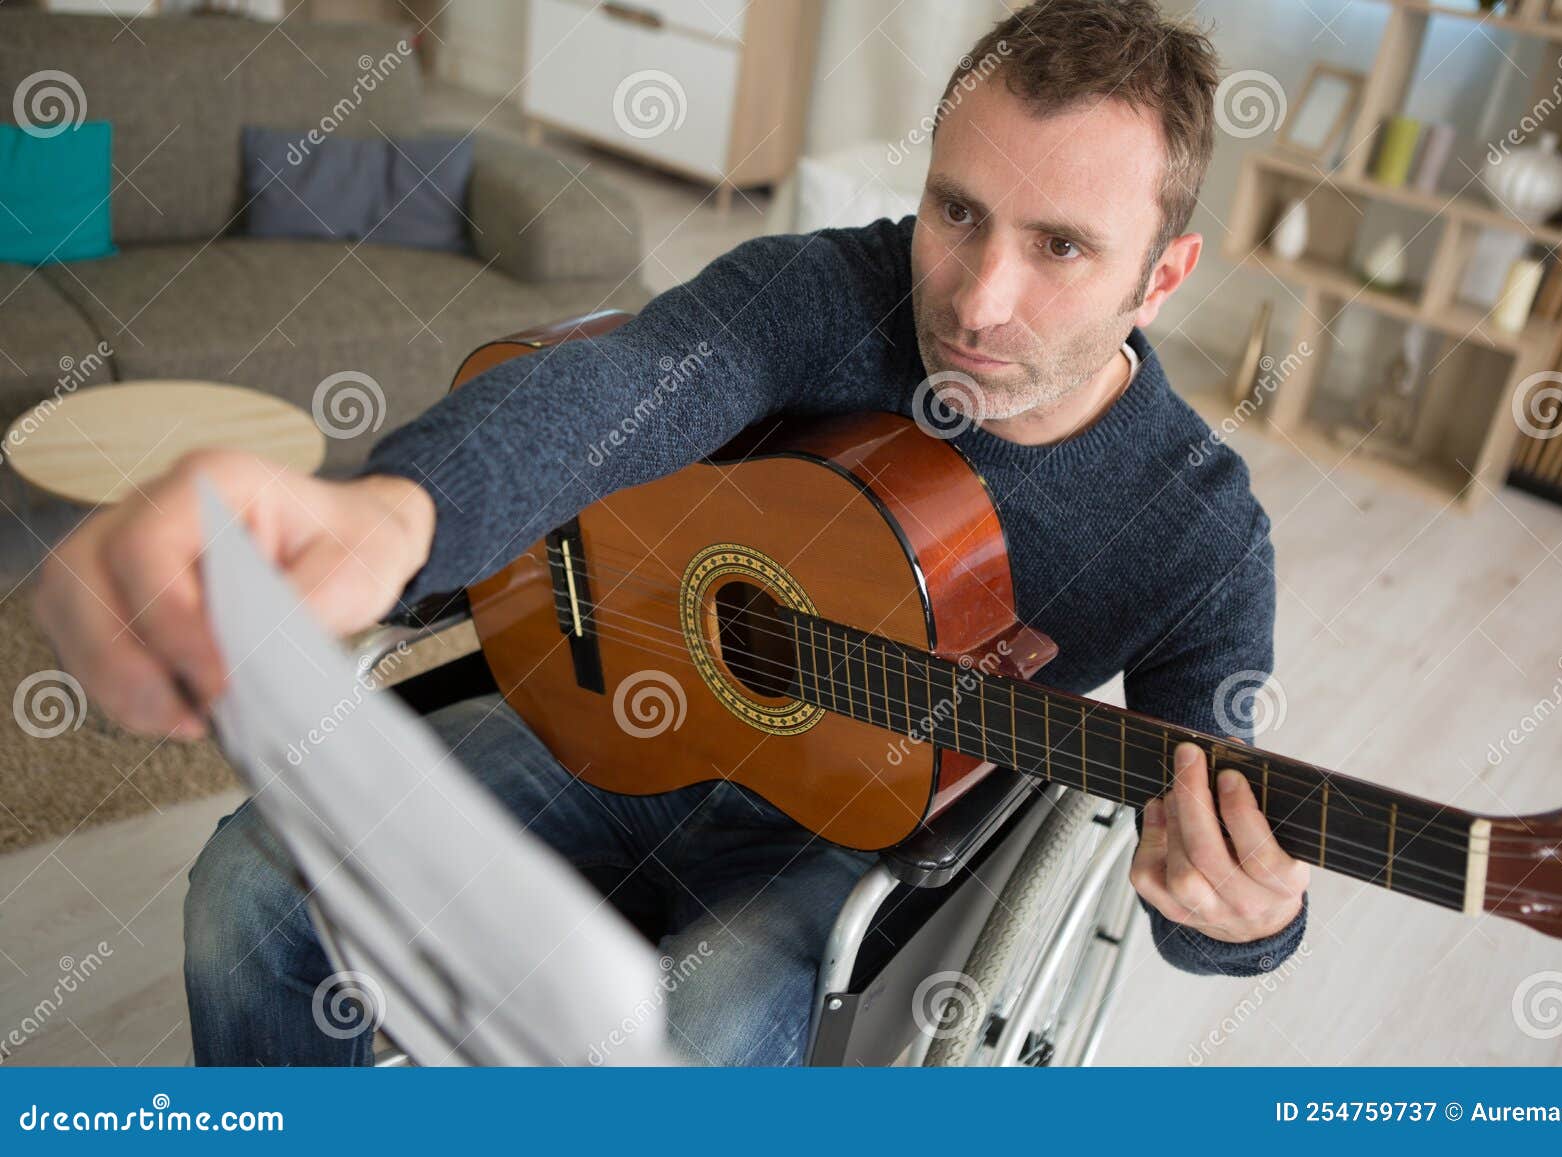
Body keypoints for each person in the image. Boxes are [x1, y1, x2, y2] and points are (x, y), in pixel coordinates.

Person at [32, 0, 1310, 1066]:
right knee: (251, 889)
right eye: (956, 210)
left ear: (1163, 274)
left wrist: (1242, 916)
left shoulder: (1198, 534)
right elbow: (630, 382)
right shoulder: (835, 288)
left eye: (1063, 246)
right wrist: (390, 511)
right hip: (625, 692)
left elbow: (1213, 855)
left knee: (692, 1045)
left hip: (840, 841)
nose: (977, 297)